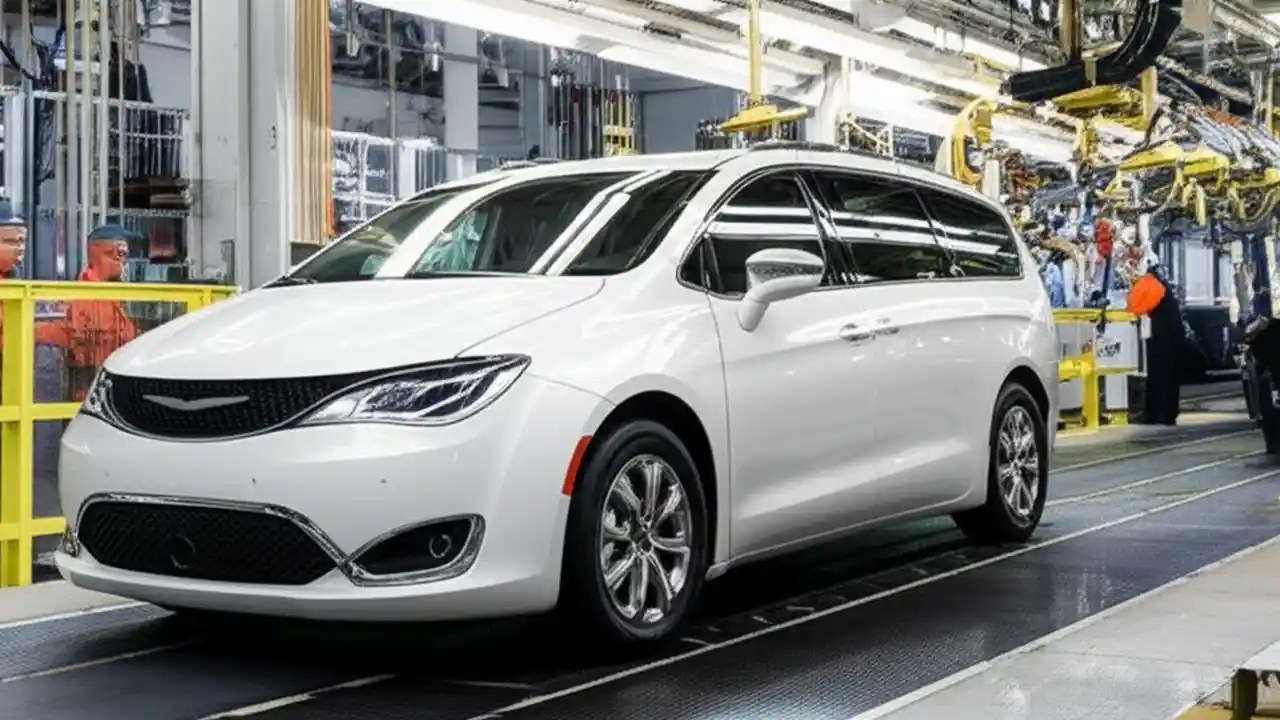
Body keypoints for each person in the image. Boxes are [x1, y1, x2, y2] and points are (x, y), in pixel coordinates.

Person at [38, 225, 140, 399]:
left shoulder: (111, 293)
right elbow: (86, 335)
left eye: (124, 257)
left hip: (109, 378)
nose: (123, 263)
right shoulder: (89, 293)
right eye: (119, 255)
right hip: (91, 383)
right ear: (104, 254)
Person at [1128, 263, 1182, 425]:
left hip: (1160, 339)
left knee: (1156, 378)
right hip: (1173, 339)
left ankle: (1152, 414)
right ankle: (1169, 415)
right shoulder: (1164, 288)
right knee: (1171, 379)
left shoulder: (1151, 285)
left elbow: (1135, 308)